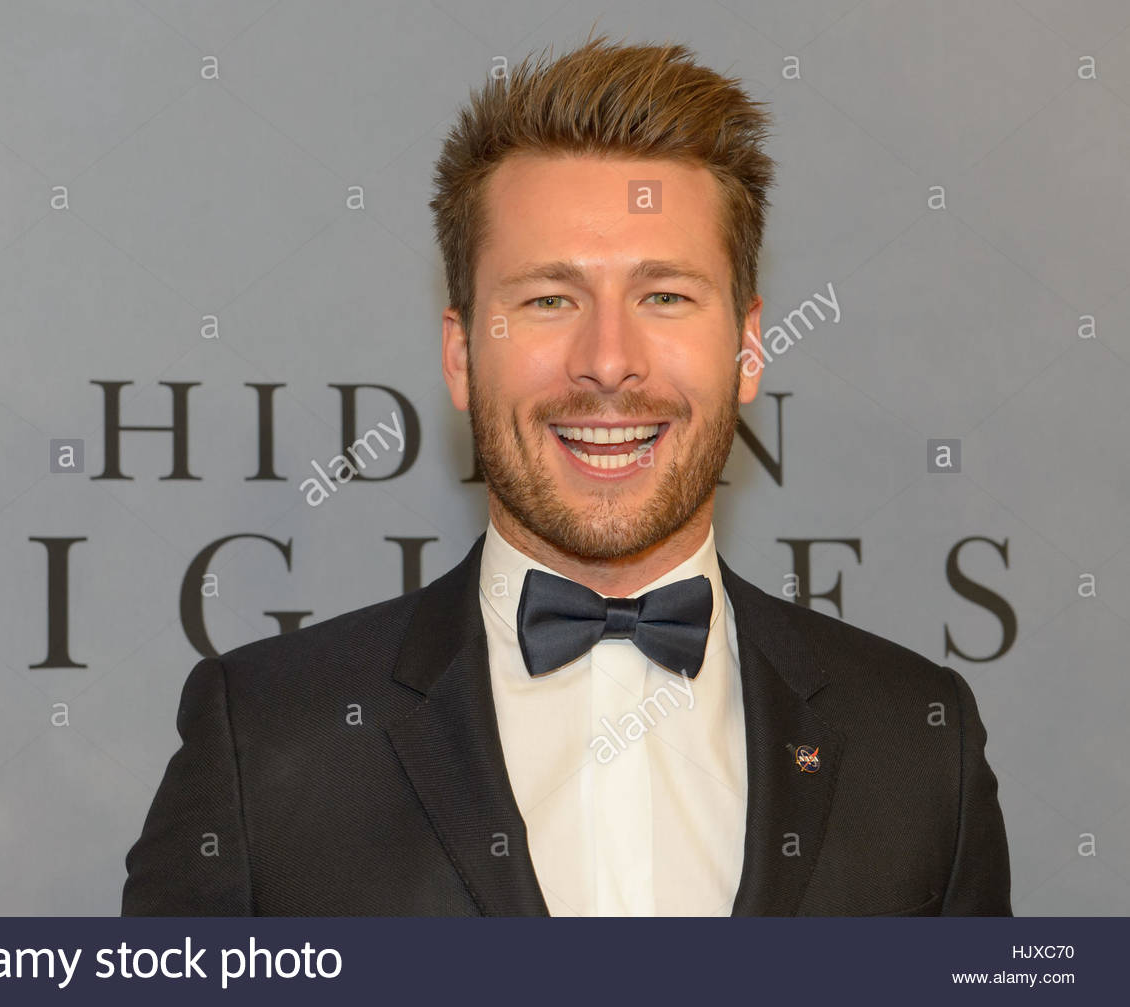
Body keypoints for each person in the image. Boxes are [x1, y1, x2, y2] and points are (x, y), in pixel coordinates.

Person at [122, 34, 1010, 917]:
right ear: (462, 353)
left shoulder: (919, 743)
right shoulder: (268, 740)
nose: (609, 362)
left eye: (664, 295)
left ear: (747, 346)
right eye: (549, 299)